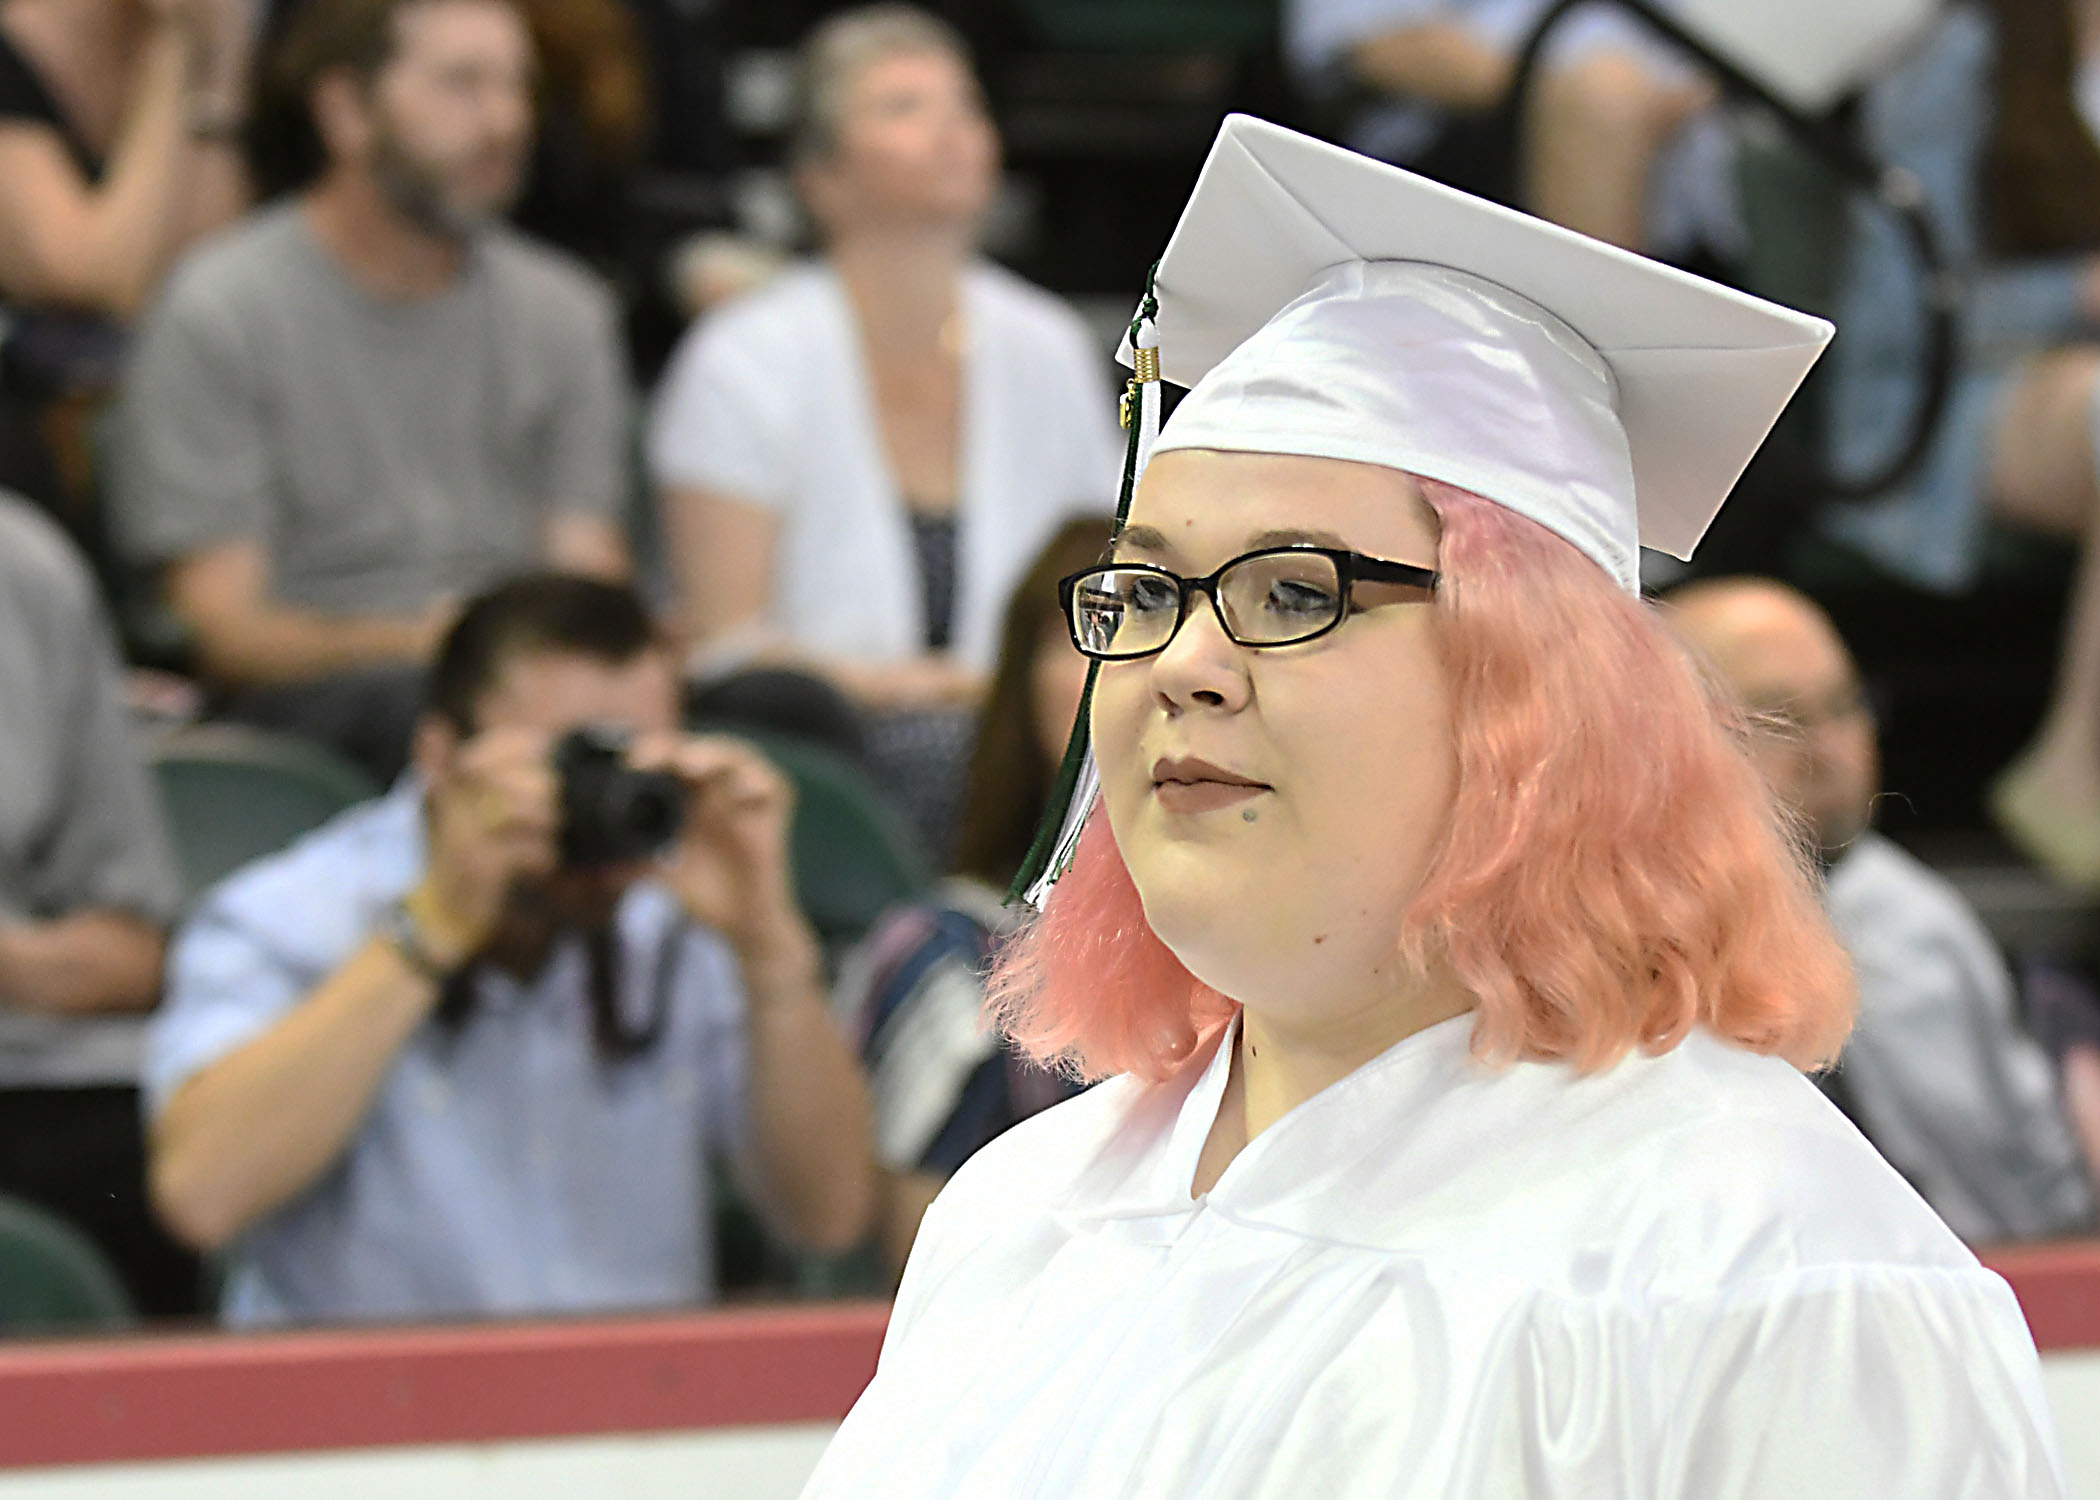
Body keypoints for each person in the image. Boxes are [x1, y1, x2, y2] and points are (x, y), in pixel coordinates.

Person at [798, 117, 2067, 1498]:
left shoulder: (1762, 1271)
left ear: (1539, 691)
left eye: (1294, 590)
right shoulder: (1023, 1215)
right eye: (1146, 590)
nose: (1181, 662)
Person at [143, 573, 874, 1326]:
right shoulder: (296, 913)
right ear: (439, 757)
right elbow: (203, 1196)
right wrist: (433, 927)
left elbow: (828, 1218)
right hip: (372, 1393)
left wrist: (769, 947)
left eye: (632, 761)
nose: (596, 796)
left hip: (631, 1391)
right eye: (570, 763)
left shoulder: (671, 917)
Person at [110, 0, 633, 787]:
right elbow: (226, 629)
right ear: (346, 112)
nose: (506, 122)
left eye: (518, 87)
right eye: (462, 84)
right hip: (317, 699)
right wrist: (436, 643)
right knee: (429, 715)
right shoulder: (221, 309)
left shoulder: (565, 311)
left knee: (751, 710)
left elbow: (587, 569)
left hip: (527, 679)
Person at [647, 4, 1121, 858]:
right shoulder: (741, 356)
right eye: (904, 108)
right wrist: (914, 689)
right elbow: (726, 648)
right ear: (819, 176)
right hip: (826, 751)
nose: (949, 132)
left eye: (965, 107)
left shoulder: (1047, 344)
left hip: (1021, 742)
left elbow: (1096, 571)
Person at [1668, 576, 2096, 1243]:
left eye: (1844, 705)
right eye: (1778, 717)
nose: (1828, 750)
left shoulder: (1914, 921)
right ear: (1667, 738)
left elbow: (2038, 1170)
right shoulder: (1631, 954)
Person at [1810, 0, 2100, 888]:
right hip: (1947, 402)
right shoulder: (1955, 58)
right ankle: (2073, 765)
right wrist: (2078, 294)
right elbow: (1903, 318)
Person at [838, 515, 1106, 1276]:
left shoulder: (1292, 955)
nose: (1155, 672)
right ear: (1024, 686)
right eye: (1101, 628)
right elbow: (928, 1289)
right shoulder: (952, 955)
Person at [0, 487, 194, 1315]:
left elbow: (135, 952)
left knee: (182, 1168)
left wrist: (14, 963)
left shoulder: (20, 566)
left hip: (33, 1080)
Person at [0, 0, 252, 519]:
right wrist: (174, 54)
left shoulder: (197, 39)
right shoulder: (15, 53)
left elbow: (219, 264)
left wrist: (218, 75)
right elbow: (101, 280)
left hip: (166, 389)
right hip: (43, 422)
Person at [1283, 0, 1727, 254]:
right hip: (1459, 145)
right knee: (1606, 92)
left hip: (1694, 136)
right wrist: (1575, 95)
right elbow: (1381, 47)